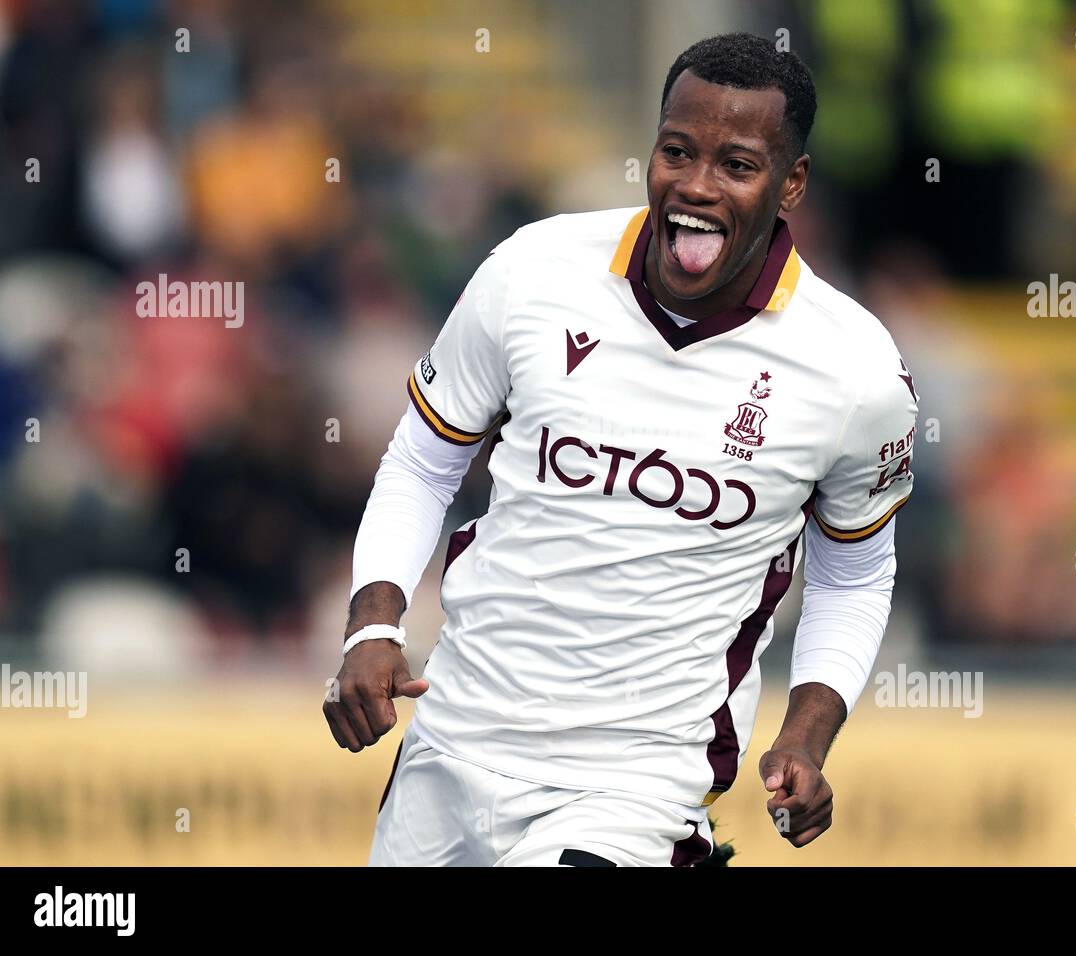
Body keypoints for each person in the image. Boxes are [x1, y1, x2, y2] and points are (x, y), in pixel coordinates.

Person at [323, 32, 919, 867]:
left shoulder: (854, 371)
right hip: (454, 742)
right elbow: (424, 460)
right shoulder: (532, 270)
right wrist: (371, 625)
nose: (695, 186)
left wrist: (806, 736)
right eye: (677, 151)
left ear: (792, 182)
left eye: (737, 166)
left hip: (635, 787)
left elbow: (854, 574)